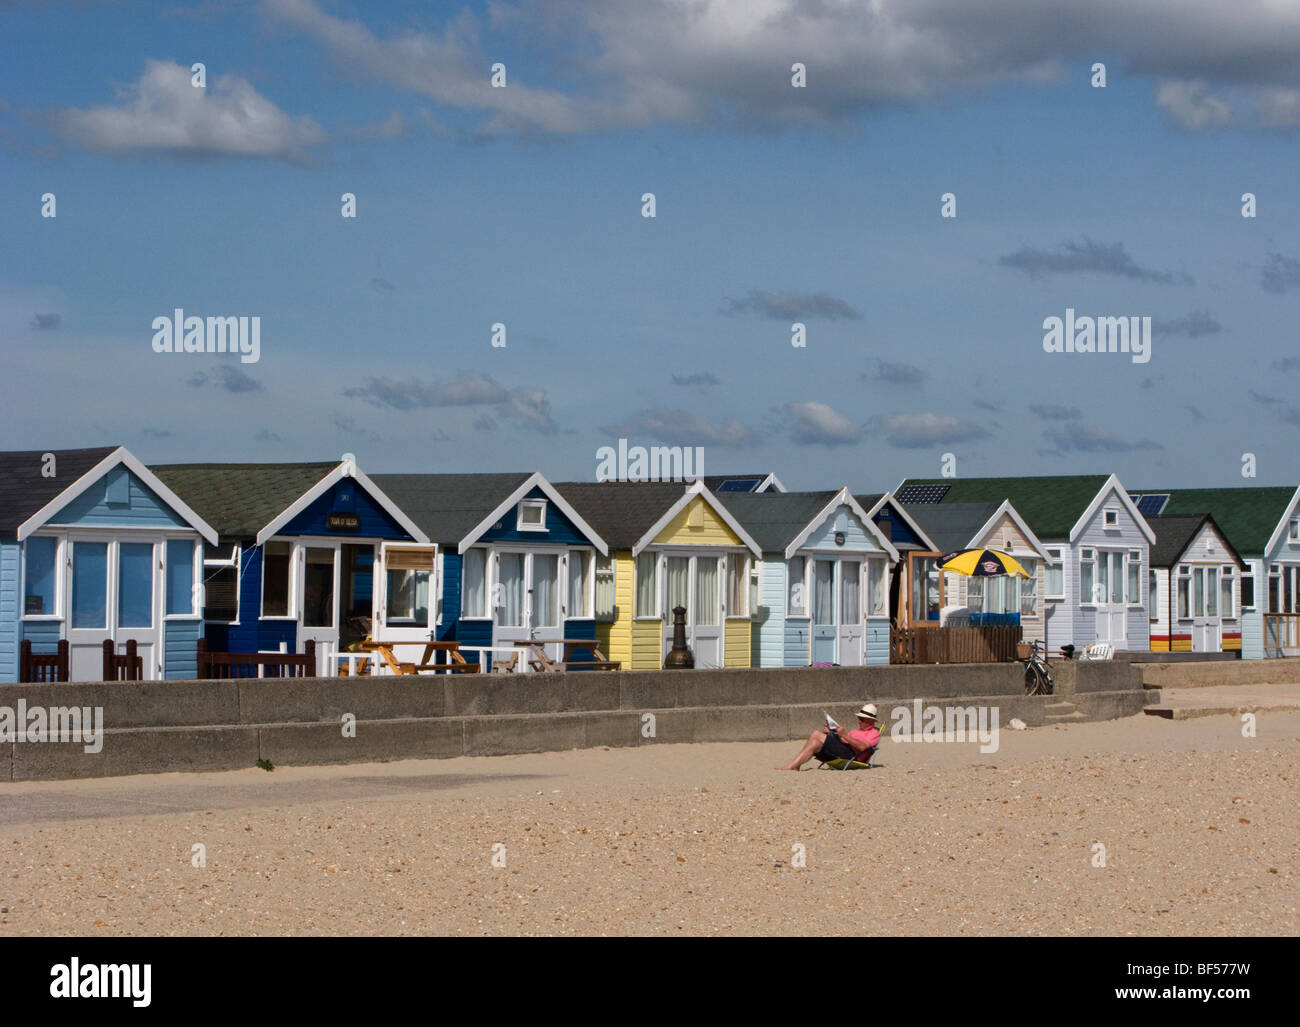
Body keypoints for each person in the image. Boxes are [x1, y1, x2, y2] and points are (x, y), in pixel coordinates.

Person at [775, 703, 881, 771]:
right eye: (859, 718)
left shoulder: (874, 733)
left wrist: (844, 734)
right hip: (845, 750)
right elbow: (843, 741)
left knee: (816, 734)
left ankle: (791, 766)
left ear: (871, 721)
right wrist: (832, 733)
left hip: (853, 756)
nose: (859, 721)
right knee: (816, 741)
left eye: (862, 719)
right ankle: (795, 765)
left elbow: (862, 747)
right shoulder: (855, 731)